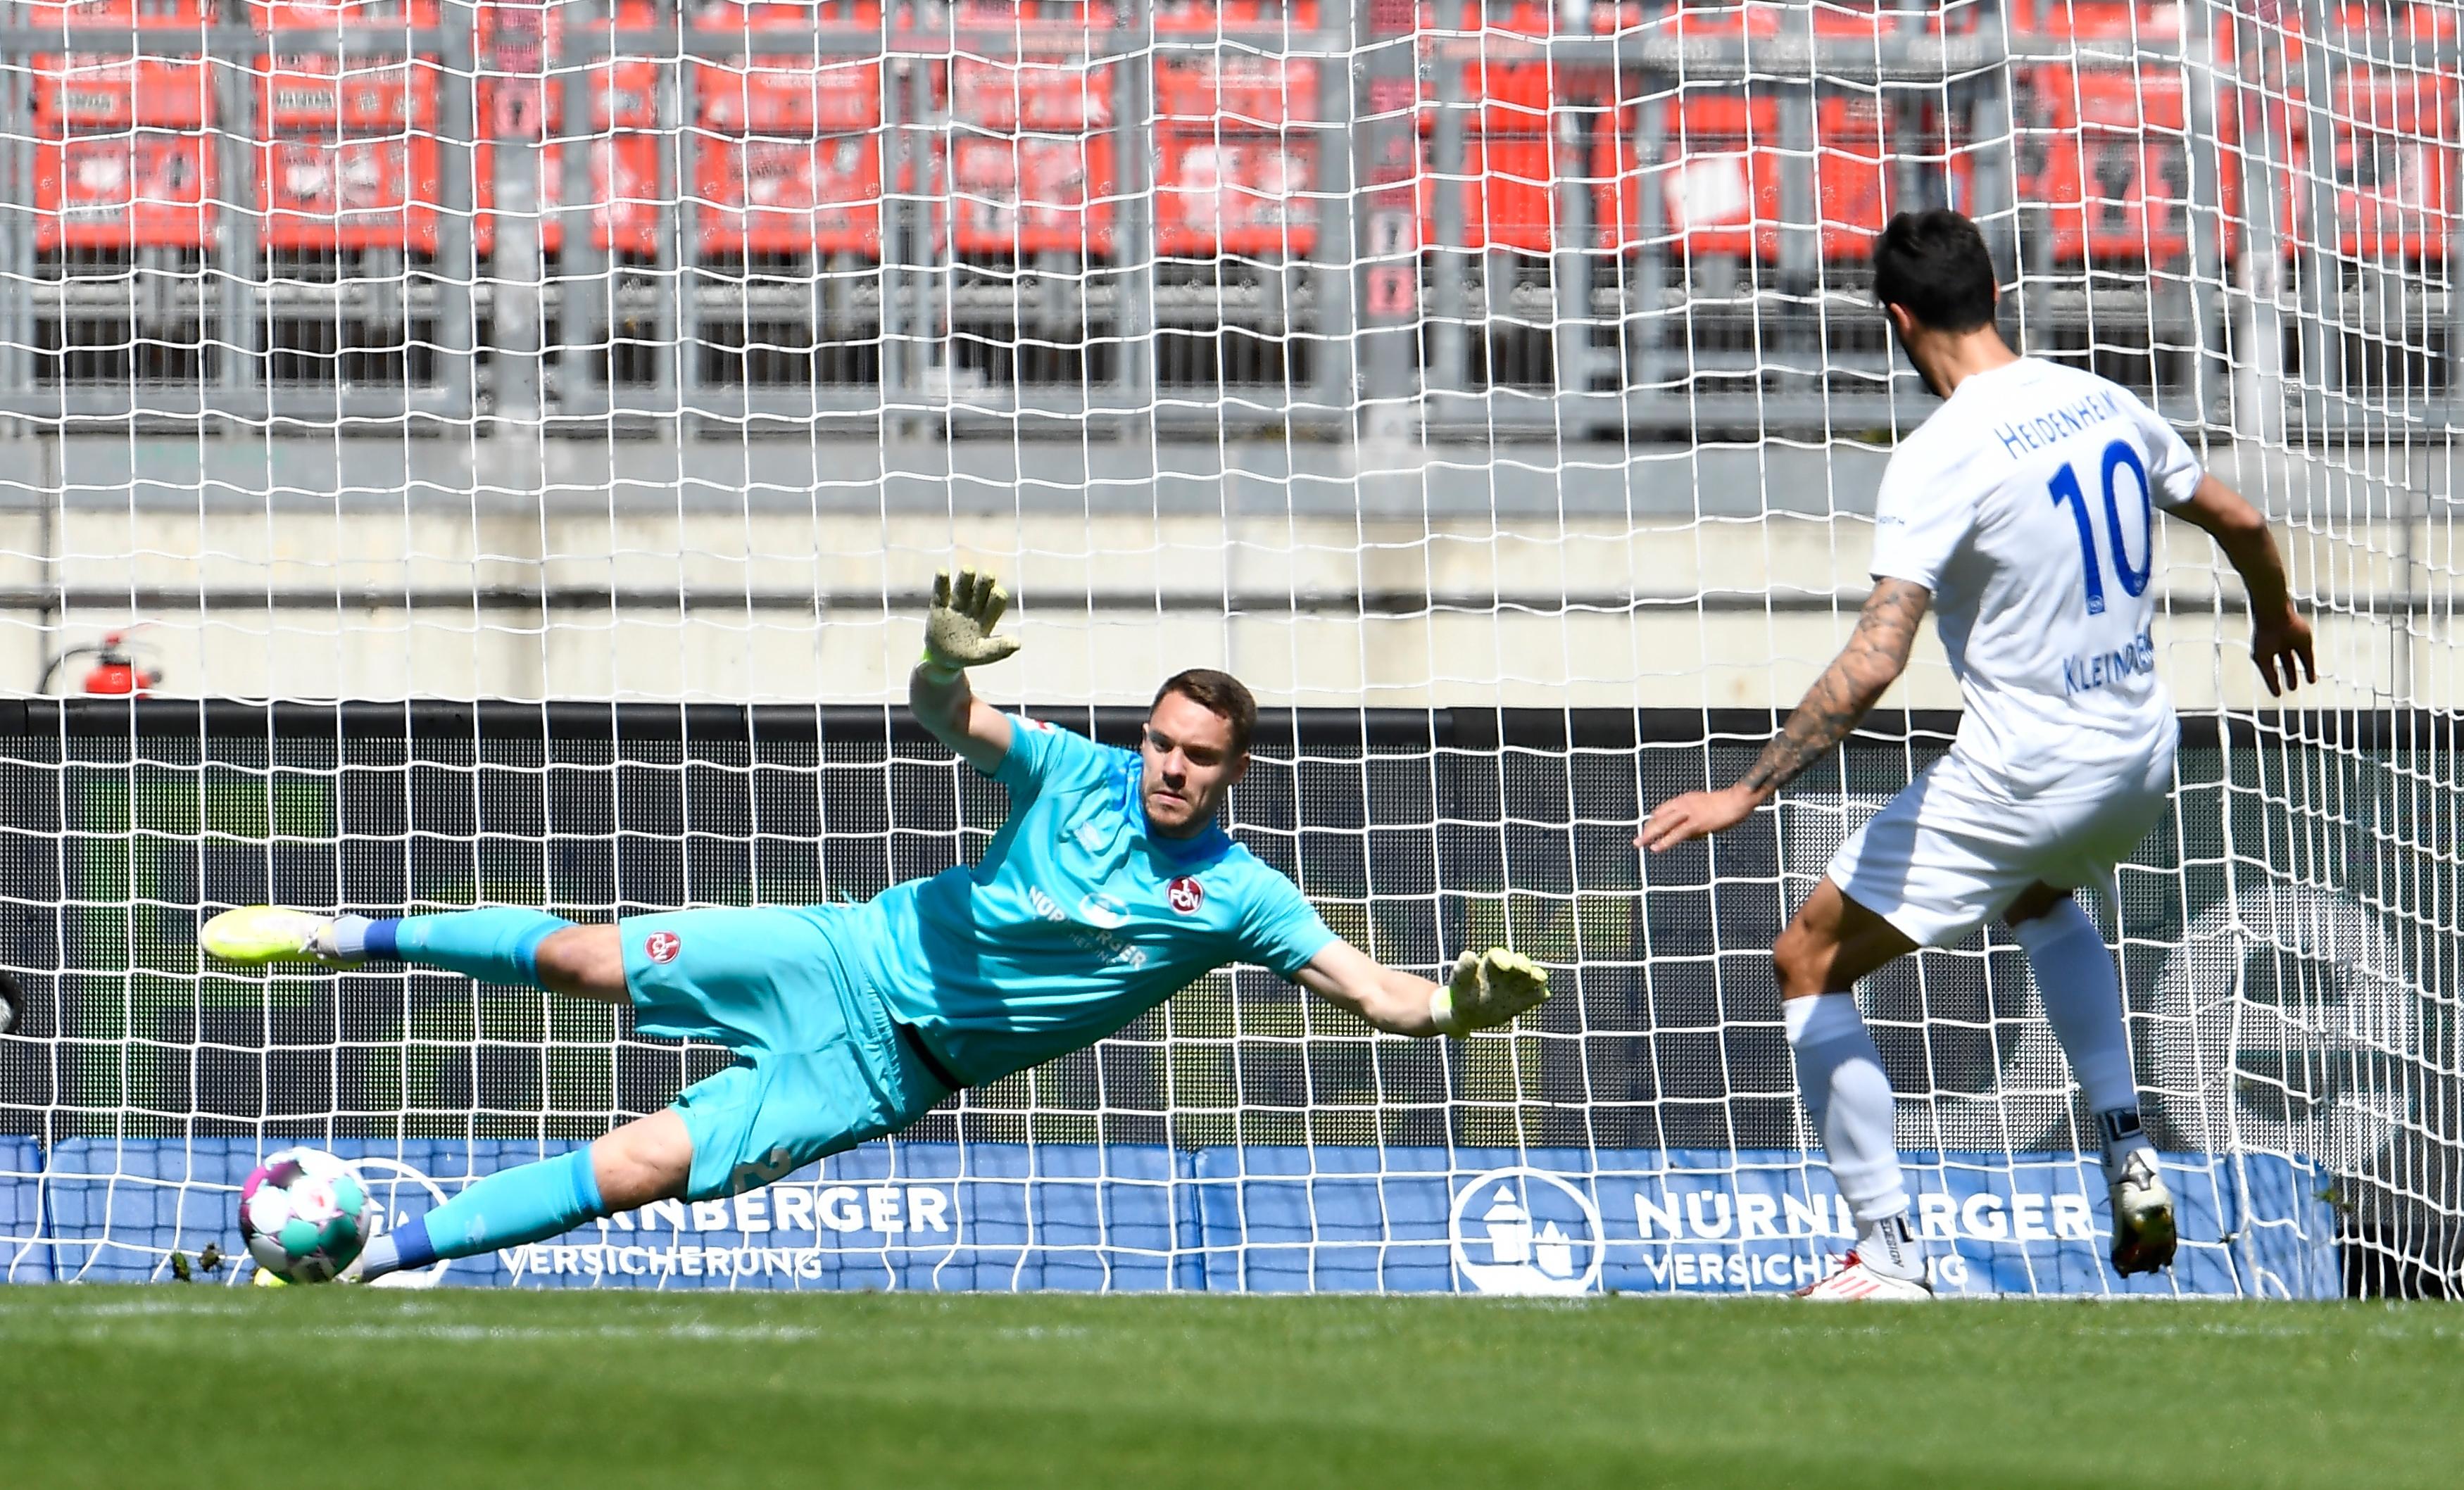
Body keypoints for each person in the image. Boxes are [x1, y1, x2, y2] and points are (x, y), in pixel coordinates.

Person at [204, 568, 1550, 1282]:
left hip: (885, 1071)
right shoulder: (1072, 770)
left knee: (631, 1168)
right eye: (1161, 740)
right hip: (839, 952)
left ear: (1233, 771)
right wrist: (939, 659)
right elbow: (947, 718)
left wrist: (1460, 1007)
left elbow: (1375, 992)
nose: (1170, 767)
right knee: (581, 956)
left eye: (1198, 755)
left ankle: (364, 1258)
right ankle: (340, 932)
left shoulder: (1243, 894)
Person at [1638, 210, 2315, 1300]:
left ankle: (1887, 1253)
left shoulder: (1938, 454)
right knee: (2044, 899)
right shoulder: (2102, 398)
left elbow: (1873, 662)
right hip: (2143, 756)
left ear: (1898, 320)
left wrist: (1745, 789)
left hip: (2029, 773)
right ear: (1994, 292)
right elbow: (2235, 515)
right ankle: (2127, 1144)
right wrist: (2275, 617)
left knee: (1804, 960)